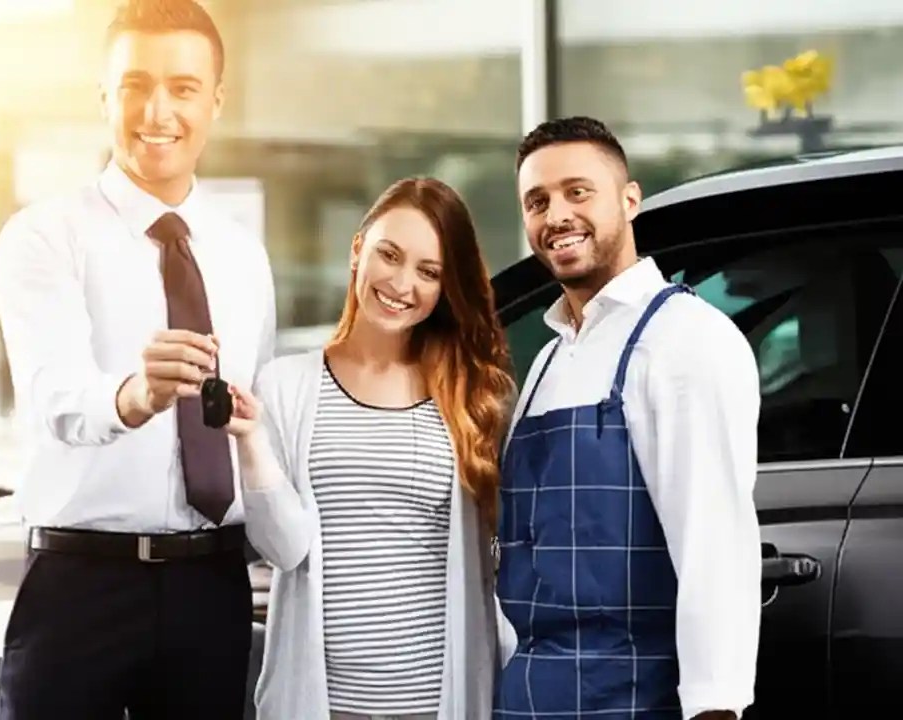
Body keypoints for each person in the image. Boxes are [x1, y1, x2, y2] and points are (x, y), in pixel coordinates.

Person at [0, 1, 276, 717]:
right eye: (134, 86)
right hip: (81, 585)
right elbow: (55, 395)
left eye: (183, 88)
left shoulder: (242, 256)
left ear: (216, 100)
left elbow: (256, 418)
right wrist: (135, 396)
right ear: (103, 97)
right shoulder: (44, 236)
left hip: (211, 588)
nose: (157, 111)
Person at [494, 116, 762, 720]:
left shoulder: (685, 340)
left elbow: (714, 547)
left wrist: (715, 708)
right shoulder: (545, 360)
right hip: (529, 700)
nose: (556, 214)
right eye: (537, 201)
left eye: (577, 191)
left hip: (636, 700)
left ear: (630, 199)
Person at [227, 177, 518, 720]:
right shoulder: (288, 386)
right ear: (358, 248)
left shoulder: (478, 395)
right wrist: (250, 442)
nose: (403, 283)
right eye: (390, 254)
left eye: (428, 272)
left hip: (440, 700)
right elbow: (283, 550)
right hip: (323, 703)